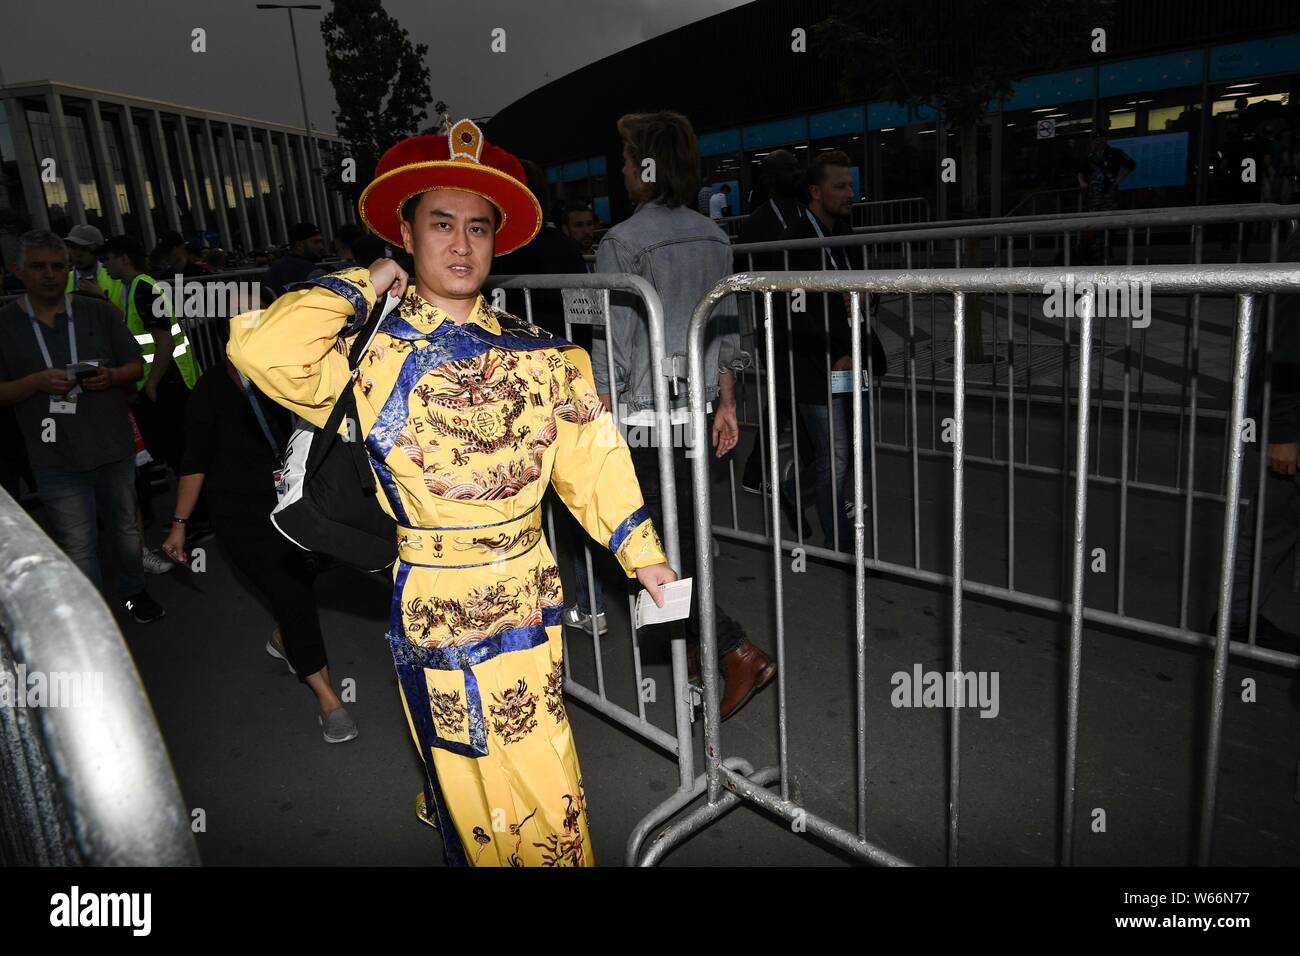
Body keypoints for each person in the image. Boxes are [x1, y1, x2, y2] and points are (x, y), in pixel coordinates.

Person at [228, 118, 676, 866]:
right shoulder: (366, 356)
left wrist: (645, 557)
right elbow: (260, 348)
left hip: (529, 593)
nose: (462, 245)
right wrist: (363, 283)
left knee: (548, 792)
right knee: (470, 793)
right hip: (433, 604)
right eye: (441, 224)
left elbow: (592, 460)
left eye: (478, 228)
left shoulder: (547, 357)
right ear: (405, 233)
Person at [591, 109, 775, 720]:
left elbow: (609, 347)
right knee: (686, 544)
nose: (622, 171)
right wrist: (727, 402)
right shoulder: (715, 237)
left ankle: (733, 650)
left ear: (646, 166)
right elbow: (724, 330)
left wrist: (600, 428)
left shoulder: (622, 241)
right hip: (694, 411)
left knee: (644, 552)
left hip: (642, 423)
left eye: (626, 160)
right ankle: (698, 659)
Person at [162, 317, 357, 742]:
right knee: (293, 595)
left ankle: (286, 640)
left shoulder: (288, 375)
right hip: (240, 516)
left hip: (296, 507)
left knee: (295, 595)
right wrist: (179, 525)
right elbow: (193, 460)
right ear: (231, 342)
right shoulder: (209, 392)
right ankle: (329, 700)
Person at [0, 230, 163, 622]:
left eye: (59, 266)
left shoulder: (98, 312)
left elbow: (135, 366)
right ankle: (93, 617)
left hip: (112, 445)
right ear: (19, 271)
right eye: (39, 266)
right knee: (78, 542)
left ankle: (133, 594)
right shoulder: (5, 324)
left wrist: (111, 377)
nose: (50, 275)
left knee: (125, 532)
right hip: (53, 455)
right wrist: (33, 383)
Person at [786, 149, 889, 550]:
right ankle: (842, 546)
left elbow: (868, 294)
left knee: (855, 452)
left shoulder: (847, 236)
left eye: (851, 186)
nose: (850, 193)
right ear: (815, 191)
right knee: (838, 457)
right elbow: (791, 312)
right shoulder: (795, 242)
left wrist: (861, 297)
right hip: (816, 365)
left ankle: (794, 492)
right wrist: (832, 355)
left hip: (853, 354)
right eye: (840, 186)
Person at [1227, 225, 1300, 651]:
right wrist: (1285, 430)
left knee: (1269, 525)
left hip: (1284, 414)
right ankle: (1234, 620)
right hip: (1288, 415)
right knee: (1269, 525)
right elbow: (1287, 339)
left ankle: (1234, 619)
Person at [63, 224, 123, 304]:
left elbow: (126, 316)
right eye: (73, 248)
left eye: (84, 249)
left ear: (98, 251)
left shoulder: (116, 279)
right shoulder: (63, 279)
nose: (78, 254)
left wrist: (102, 297)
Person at [264, 222, 324, 295]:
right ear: (299, 245)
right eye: (316, 242)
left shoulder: (272, 270)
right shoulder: (313, 271)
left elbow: (252, 303)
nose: (321, 247)